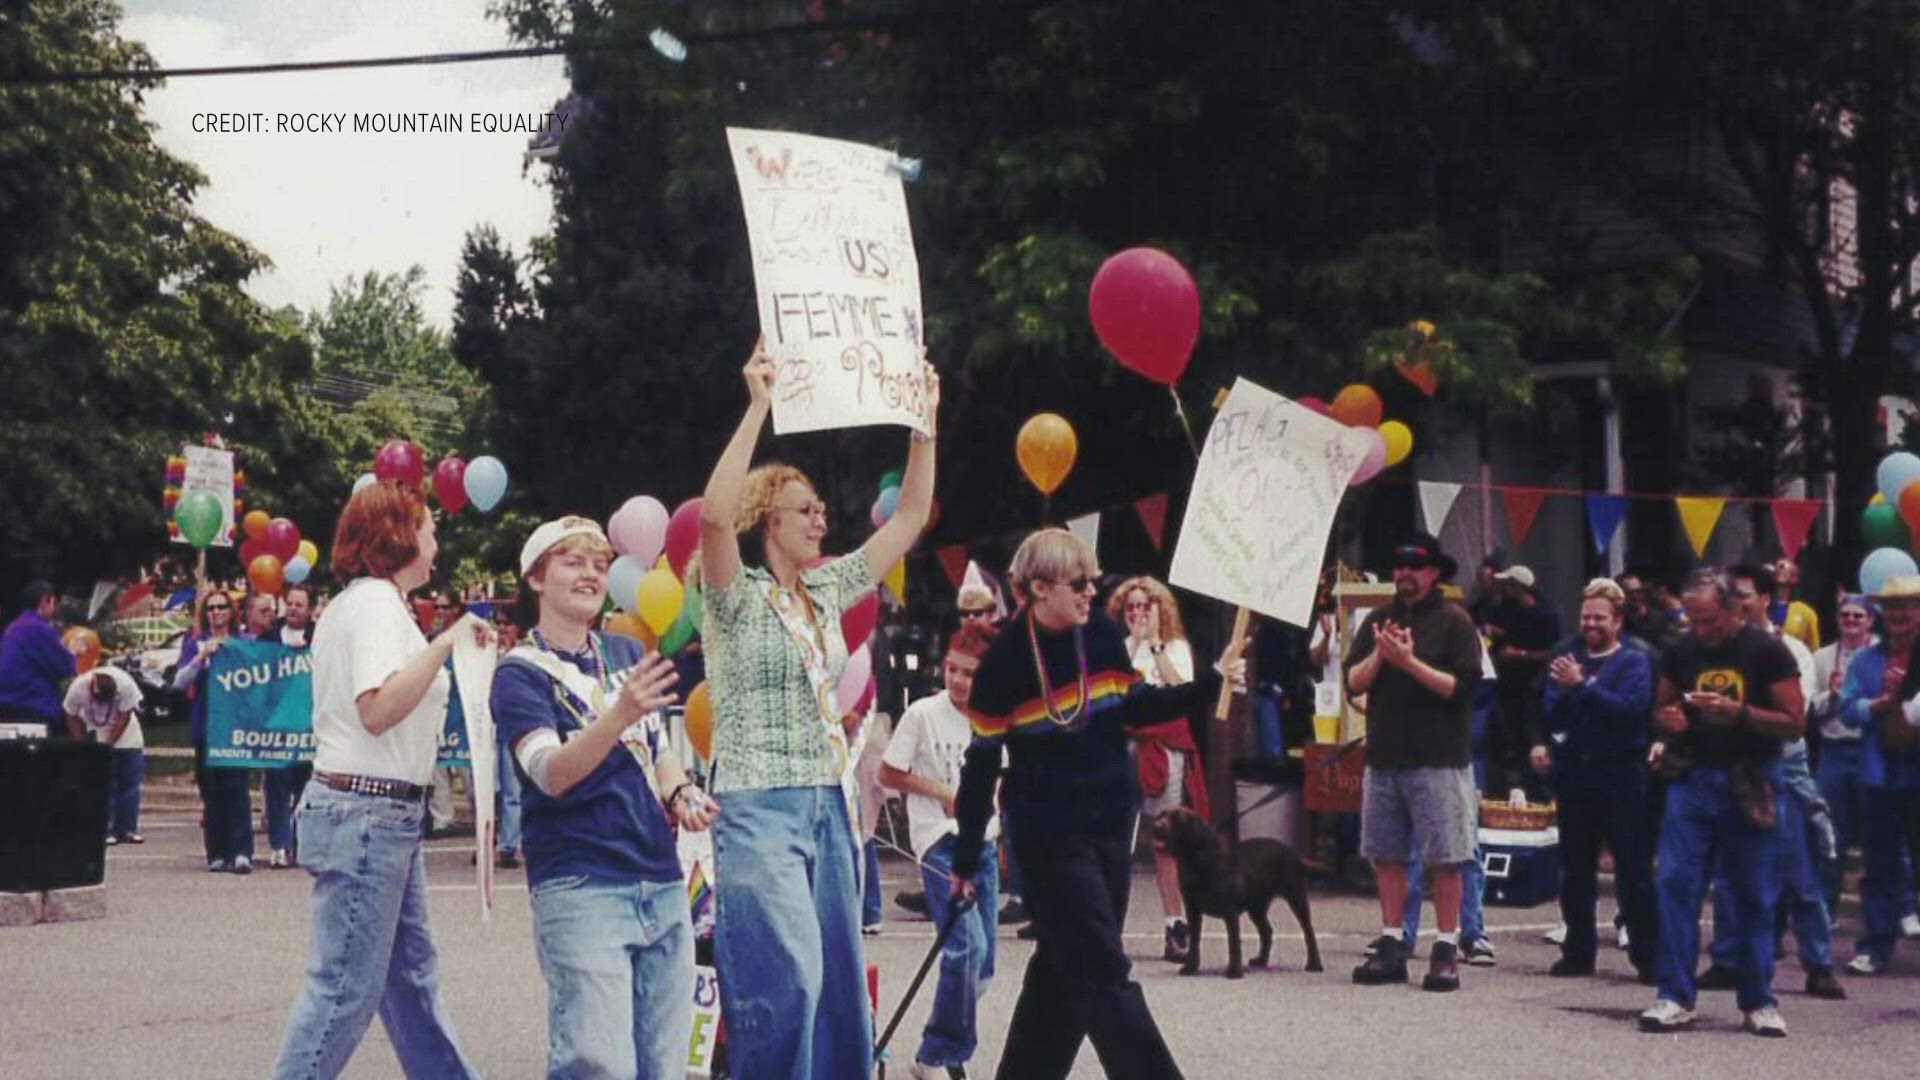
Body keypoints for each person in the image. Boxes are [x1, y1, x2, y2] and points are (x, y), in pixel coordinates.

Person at [696, 339, 937, 1078]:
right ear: (768, 517)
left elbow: (911, 519)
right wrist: (758, 404)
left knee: (837, 991)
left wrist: (924, 424)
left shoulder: (826, 591)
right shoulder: (733, 596)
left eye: (823, 509)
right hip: (756, 803)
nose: (820, 520)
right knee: (786, 984)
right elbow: (710, 519)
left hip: (828, 805)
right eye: (806, 509)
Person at [950, 527, 1246, 1080]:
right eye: (1079, 582)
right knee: (1105, 969)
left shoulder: (1102, 636)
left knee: (1065, 971)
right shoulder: (1004, 664)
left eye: (1093, 580)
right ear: (1038, 589)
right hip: (1048, 837)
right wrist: (967, 860)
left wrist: (1212, 680)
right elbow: (980, 768)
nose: (1093, 591)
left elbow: (1138, 707)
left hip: (1110, 825)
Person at [271, 479, 487, 1080]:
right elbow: (378, 708)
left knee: (410, 982)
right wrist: (445, 644)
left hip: (375, 812)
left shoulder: (369, 604)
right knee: (342, 990)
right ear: (399, 534)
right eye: (428, 524)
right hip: (369, 812)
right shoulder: (372, 605)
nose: (437, 535)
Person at [491, 516, 714, 1078]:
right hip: (581, 886)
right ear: (536, 579)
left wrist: (681, 790)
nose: (591, 574)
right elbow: (550, 773)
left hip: (661, 881)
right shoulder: (518, 673)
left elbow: (656, 749)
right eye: (572, 561)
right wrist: (619, 714)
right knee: (600, 1066)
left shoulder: (620, 650)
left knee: (664, 1066)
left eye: (598, 563)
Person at [1638, 567, 1803, 1037]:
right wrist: (1671, 722)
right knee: (1675, 883)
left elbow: (1794, 721)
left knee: (1754, 891)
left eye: (1710, 620)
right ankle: (1673, 996)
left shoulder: (1767, 651)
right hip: (1693, 777)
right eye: (1694, 619)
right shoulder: (1682, 649)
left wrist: (1740, 713)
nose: (1701, 630)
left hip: (1750, 776)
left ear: (1735, 611)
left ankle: (1758, 1000)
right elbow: (1661, 708)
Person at [1345, 531, 1484, 993]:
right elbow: (1353, 681)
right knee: (1385, 853)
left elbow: (1461, 689)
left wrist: (1408, 662)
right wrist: (1382, 658)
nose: (1404, 574)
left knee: (1446, 856)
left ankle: (1446, 947)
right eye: (1399, 565)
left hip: (1439, 759)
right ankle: (1391, 942)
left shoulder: (1456, 623)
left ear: (1435, 573)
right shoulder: (1379, 620)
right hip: (1385, 756)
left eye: (1415, 565)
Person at [880, 620, 1002, 1080]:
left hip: (985, 841)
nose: (957, 680)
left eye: (968, 673)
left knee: (983, 963)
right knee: (964, 949)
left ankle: (935, 1049)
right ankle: (943, 1055)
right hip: (939, 841)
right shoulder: (924, 714)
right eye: (952, 669)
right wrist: (939, 789)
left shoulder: (993, 717)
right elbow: (889, 774)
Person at [1531, 578, 1657, 981]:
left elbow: (1630, 712)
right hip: (1576, 772)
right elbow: (1551, 709)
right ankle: (1578, 952)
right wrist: (1571, 696)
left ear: (1618, 621)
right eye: (1586, 617)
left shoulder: (1635, 661)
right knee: (1576, 868)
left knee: (1633, 868)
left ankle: (1648, 955)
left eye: (1600, 618)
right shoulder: (1565, 655)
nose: (1591, 625)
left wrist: (1583, 686)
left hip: (1622, 773)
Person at [1107, 575, 1210, 963]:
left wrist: (1154, 645)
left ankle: (1176, 925)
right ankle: (1111, 929)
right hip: (1125, 749)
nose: (1137, 614)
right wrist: (1133, 644)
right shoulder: (1119, 648)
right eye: (1130, 607)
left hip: (1163, 751)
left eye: (1144, 607)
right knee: (1119, 843)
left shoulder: (1177, 647)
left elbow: (1180, 689)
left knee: (1167, 843)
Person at [1836, 575, 1920, 976]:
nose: (1901, 615)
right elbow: (1847, 709)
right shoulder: (1867, 659)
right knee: (1880, 865)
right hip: (1878, 775)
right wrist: (1880, 704)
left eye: (1910, 606)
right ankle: (1876, 945)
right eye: (1894, 607)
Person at [175, 588, 253, 873]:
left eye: (222, 607)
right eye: (211, 608)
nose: (216, 613)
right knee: (212, 790)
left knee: (236, 786)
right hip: (205, 725)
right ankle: (217, 852)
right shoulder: (195, 643)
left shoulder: (245, 642)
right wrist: (201, 658)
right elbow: (179, 682)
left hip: (236, 728)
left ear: (232, 611)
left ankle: (242, 850)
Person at [265, 584, 318, 868]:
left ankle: (301, 843)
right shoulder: (271, 638)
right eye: (290, 603)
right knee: (276, 788)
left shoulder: (320, 638)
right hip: (277, 727)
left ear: (310, 609)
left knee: (306, 791)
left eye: (300, 604)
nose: (294, 609)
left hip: (310, 728)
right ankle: (279, 844)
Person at [64, 665, 146, 844]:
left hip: (126, 735)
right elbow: (71, 715)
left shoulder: (125, 684)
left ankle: (127, 829)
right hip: (95, 730)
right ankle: (104, 829)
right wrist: (81, 743)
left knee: (129, 783)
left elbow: (125, 715)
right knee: (103, 784)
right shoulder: (79, 687)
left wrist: (109, 744)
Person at [0, 580, 75, 734]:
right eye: (54, 602)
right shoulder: (37, 628)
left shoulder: (14, 627)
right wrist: (74, 651)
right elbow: (65, 668)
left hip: (8, 705)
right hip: (32, 706)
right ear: (45, 600)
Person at [1771, 558, 1822, 652]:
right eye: (1777, 566)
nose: (1780, 568)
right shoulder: (1761, 606)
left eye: (1784, 566)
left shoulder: (1806, 613)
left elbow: (1814, 650)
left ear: (1795, 578)